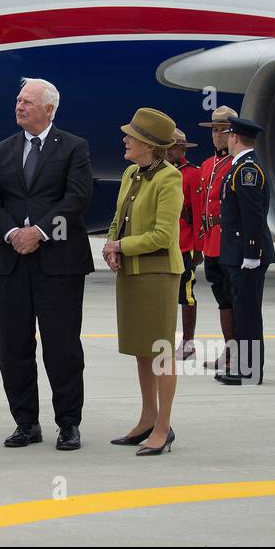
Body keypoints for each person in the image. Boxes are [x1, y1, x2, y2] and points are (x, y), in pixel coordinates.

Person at [0, 77, 93, 450]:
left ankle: (68, 423)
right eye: (17, 100)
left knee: (62, 346)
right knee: (12, 345)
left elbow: (76, 199)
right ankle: (26, 421)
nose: (19, 105)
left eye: (27, 101)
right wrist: (14, 233)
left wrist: (39, 233)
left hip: (59, 263)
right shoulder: (3, 149)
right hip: (12, 261)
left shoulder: (74, 147)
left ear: (49, 109)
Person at [101, 108, 184, 456]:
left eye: (131, 136)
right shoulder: (131, 173)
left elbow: (163, 236)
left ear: (149, 145)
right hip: (132, 273)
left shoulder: (169, 179)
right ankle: (147, 417)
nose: (125, 139)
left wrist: (122, 245)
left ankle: (163, 427)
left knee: (160, 353)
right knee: (140, 350)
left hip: (158, 275)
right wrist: (111, 245)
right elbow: (118, 218)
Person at [215, 117, 275, 386]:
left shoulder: (246, 170)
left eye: (228, 134)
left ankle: (249, 371)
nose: (227, 139)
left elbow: (253, 215)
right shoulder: (239, 167)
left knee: (248, 314)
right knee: (242, 312)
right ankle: (243, 366)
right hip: (238, 253)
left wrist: (252, 252)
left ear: (235, 138)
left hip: (245, 255)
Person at [196, 105, 238, 370]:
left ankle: (236, 351)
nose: (216, 135)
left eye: (221, 130)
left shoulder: (237, 164)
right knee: (221, 296)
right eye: (213, 130)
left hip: (228, 239)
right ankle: (228, 348)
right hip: (210, 239)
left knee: (235, 297)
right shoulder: (207, 165)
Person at [168, 129, 203, 360]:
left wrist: (199, 248)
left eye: (174, 147)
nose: (169, 151)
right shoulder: (158, 173)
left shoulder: (191, 174)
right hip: (164, 243)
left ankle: (188, 342)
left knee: (186, 293)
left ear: (182, 149)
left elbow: (199, 213)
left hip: (185, 243)